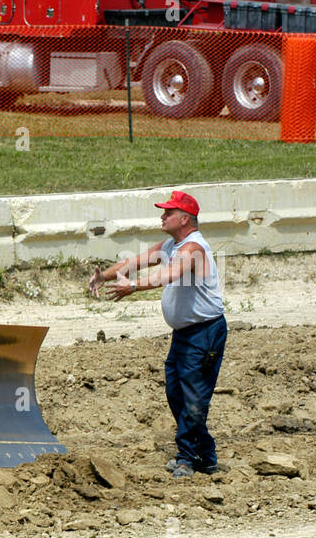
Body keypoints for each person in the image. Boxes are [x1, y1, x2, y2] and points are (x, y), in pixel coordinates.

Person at [89, 190, 226, 479]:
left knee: (193, 396)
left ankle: (189, 457)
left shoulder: (193, 249)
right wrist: (107, 275)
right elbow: (136, 261)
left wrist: (134, 288)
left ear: (185, 218)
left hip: (204, 334)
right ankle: (204, 455)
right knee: (177, 393)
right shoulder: (171, 245)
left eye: (168, 212)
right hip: (186, 334)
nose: (162, 216)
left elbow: (169, 275)